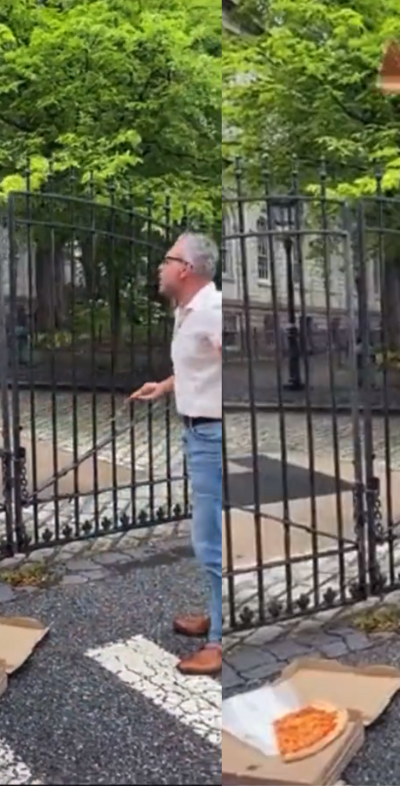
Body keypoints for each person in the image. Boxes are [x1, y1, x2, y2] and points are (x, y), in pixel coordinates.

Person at [130, 232, 224, 676]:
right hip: (198, 432)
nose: (159, 267)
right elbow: (201, 364)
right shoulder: (190, 311)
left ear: (185, 268)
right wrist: (166, 386)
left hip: (212, 436)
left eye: (166, 260)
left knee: (211, 540)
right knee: (209, 536)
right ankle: (219, 615)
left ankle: (220, 641)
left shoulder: (213, 311)